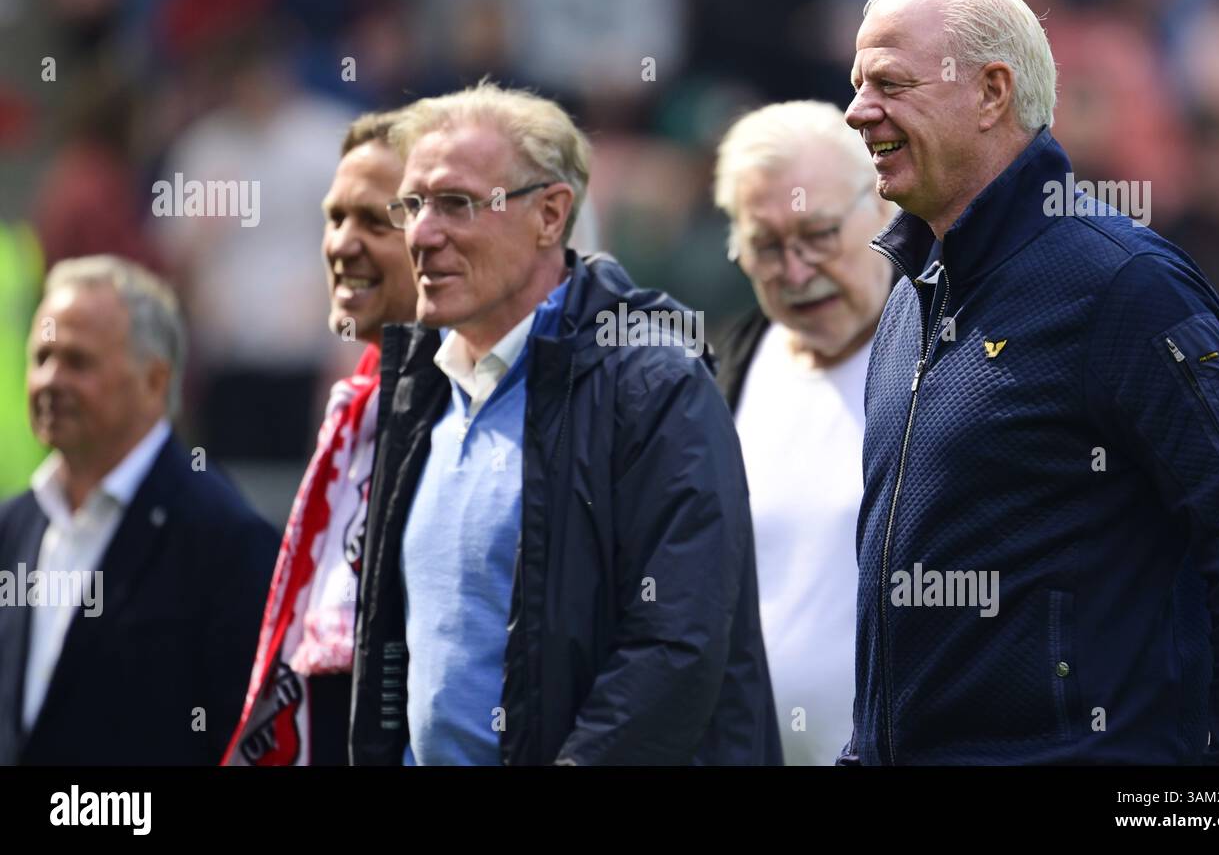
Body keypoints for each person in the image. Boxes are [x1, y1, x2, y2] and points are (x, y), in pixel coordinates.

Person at [841, 0, 1219, 765]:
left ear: (991, 94)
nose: (856, 111)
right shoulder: (912, 295)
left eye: (890, 82)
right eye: (856, 85)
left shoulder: (1126, 286)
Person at [350, 81, 781, 765]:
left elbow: (674, 649)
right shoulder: (416, 386)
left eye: (456, 204)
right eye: (412, 205)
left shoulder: (656, 384)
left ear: (550, 215)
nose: (423, 235)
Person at [0, 256, 277, 764]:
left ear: (154, 382)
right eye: (41, 358)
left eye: (78, 362)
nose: (50, 381)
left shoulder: (225, 542)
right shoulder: (13, 527)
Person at [224, 110, 418, 766]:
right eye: (334, 219)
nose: (341, 243)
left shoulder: (485, 420)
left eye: (373, 220)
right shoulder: (357, 411)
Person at [712, 100, 895, 765]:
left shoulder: (950, 366)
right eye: (766, 245)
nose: (795, 271)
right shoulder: (721, 374)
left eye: (818, 234)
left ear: (883, 209)